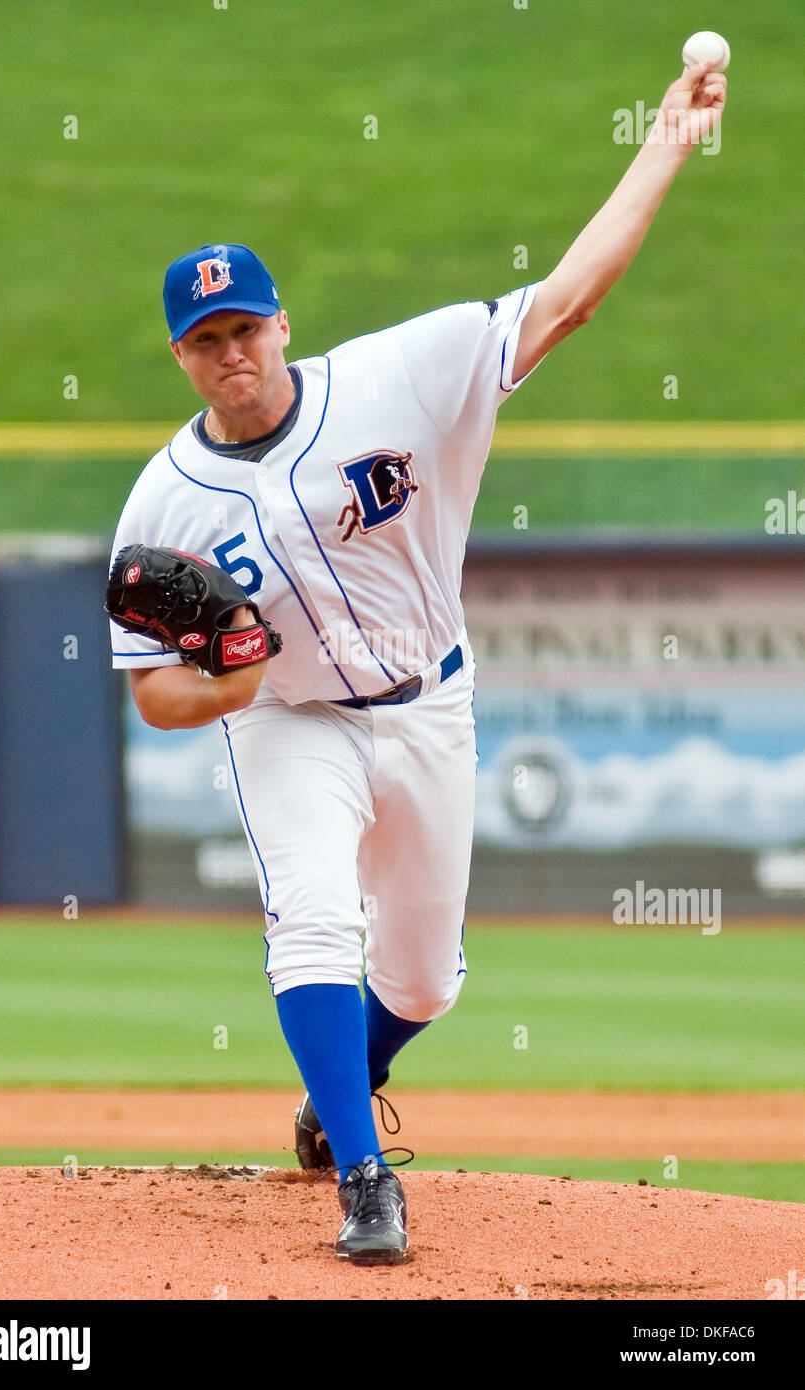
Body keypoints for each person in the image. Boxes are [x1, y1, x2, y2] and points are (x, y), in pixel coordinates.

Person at [108, 60, 725, 1265]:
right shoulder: (163, 503)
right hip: (288, 721)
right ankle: (364, 1177)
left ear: (282, 323)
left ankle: (342, 1083)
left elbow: (566, 301)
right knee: (313, 924)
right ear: (179, 355)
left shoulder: (399, 375)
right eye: (203, 338)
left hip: (430, 697)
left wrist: (664, 142)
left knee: (427, 979)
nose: (229, 350)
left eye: (245, 327)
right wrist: (228, 686)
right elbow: (154, 691)